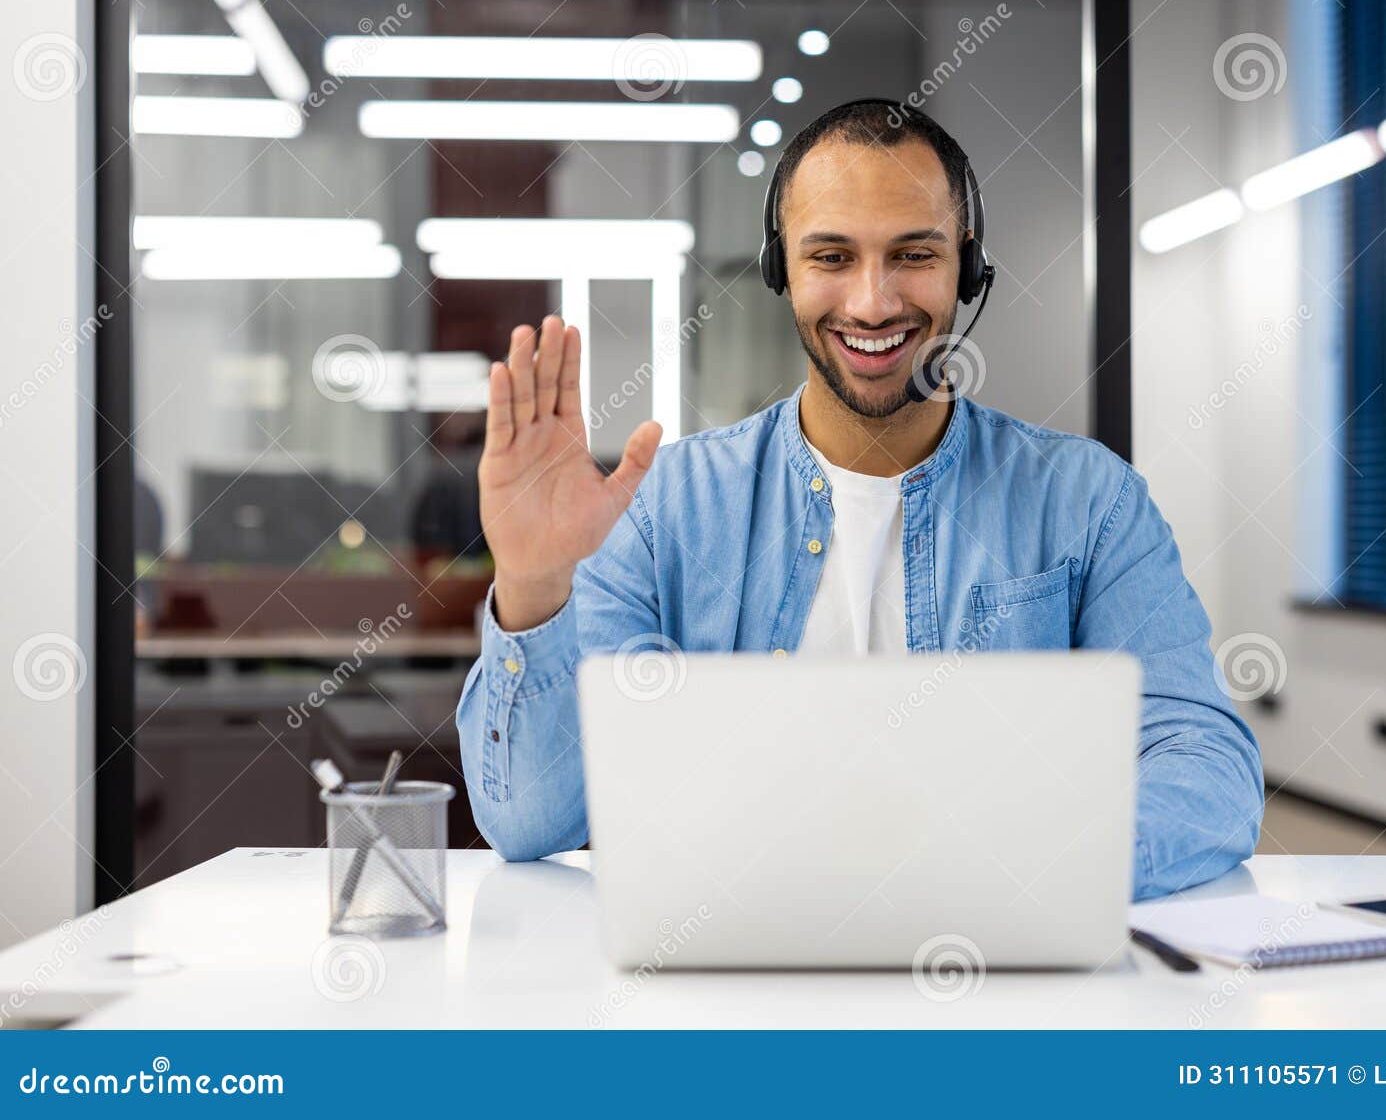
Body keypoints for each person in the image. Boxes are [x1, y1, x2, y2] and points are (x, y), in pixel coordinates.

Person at [456, 100, 1263, 900]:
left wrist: (1017, 871)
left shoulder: (1088, 502)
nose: (873, 303)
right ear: (782, 271)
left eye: (913, 254)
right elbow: (530, 821)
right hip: (730, 989)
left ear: (968, 267)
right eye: (832, 257)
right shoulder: (664, 511)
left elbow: (1207, 770)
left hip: (995, 977)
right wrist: (532, 585)